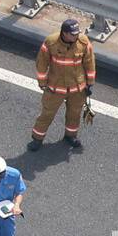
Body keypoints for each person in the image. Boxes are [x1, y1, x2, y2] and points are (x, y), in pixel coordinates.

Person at [30, 18, 96, 152]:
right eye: (72, 34)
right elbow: (41, 64)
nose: (76, 36)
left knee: (74, 114)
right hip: (55, 88)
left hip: (77, 89)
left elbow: (89, 63)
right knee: (47, 114)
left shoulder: (83, 42)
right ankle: (37, 139)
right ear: (64, 33)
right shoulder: (51, 43)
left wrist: (90, 84)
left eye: (77, 33)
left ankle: (70, 136)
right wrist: (42, 83)